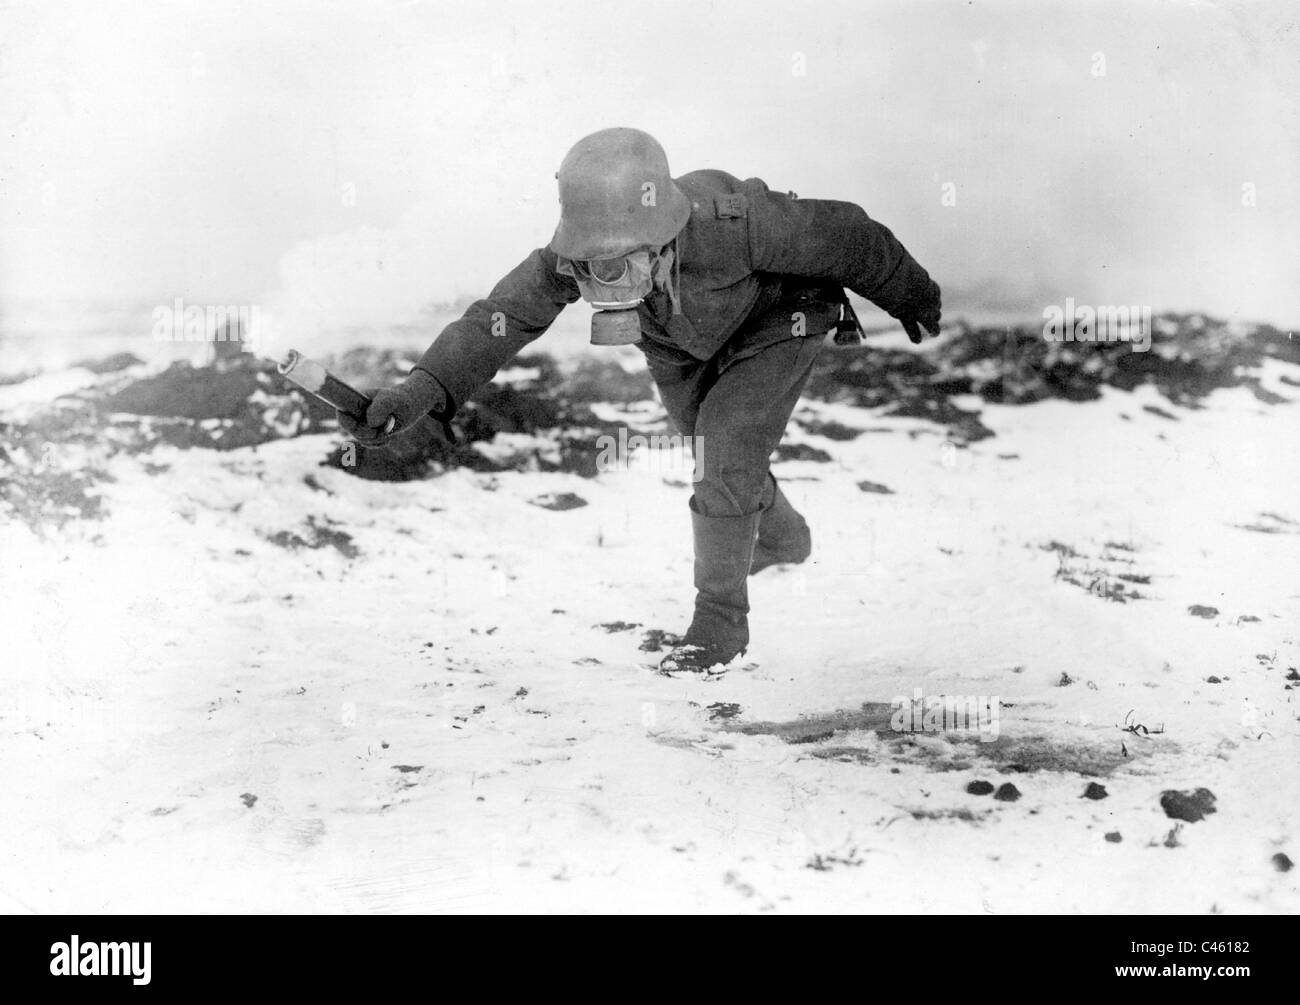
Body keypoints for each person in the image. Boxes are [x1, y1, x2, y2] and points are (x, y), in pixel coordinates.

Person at [340, 127, 942, 674]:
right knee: (714, 457)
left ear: (662, 235)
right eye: (589, 265)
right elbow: (499, 318)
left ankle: (720, 626)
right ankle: (783, 539)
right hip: (680, 345)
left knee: (724, 451)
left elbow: (852, 238)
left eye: (617, 261)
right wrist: (420, 391)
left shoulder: (739, 226)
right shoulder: (572, 257)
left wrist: (913, 296)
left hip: (779, 323)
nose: (598, 279)